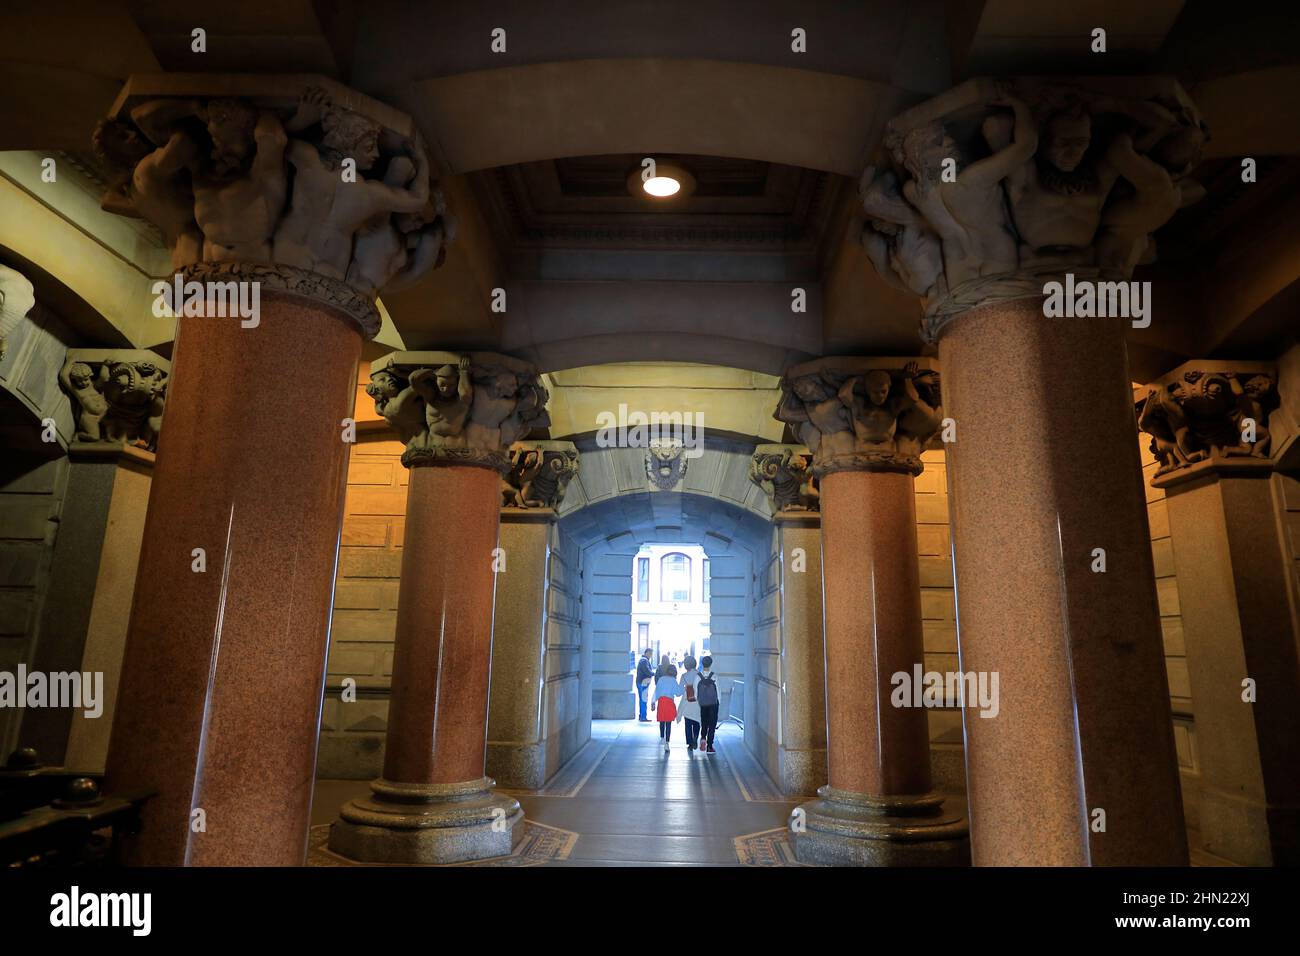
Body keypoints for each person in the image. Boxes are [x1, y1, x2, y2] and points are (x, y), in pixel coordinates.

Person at [651, 658, 681, 751]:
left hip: (661, 702)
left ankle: (662, 737)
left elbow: (656, 691)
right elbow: (678, 693)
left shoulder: (661, 679)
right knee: (668, 723)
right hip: (669, 703)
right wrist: (683, 687)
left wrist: (653, 702)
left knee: (662, 721)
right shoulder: (673, 681)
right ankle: (667, 743)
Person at [697, 656, 721, 754]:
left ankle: (703, 738)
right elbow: (718, 691)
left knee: (704, 722)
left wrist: (699, 701)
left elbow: (695, 692)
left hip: (703, 704)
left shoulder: (698, 676)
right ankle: (710, 746)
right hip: (713, 704)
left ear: (702, 664)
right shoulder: (714, 676)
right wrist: (719, 702)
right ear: (711, 664)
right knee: (712, 724)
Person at [678, 655, 702, 752]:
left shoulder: (684, 676)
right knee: (697, 721)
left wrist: (685, 689)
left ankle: (690, 743)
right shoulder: (700, 675)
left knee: (687, 723)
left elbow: (679, 691)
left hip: (687, 701)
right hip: (698, 702)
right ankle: (696, 736)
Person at [635, 648, 655, 721]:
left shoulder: (643, 660)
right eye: (650, 653)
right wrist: (654, 674)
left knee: (642, 700)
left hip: (642, 682)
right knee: (643, 700)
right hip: (643, 683)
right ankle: (643, 717)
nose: (651, 655)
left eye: (651, 654)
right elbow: (647, 671)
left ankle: (642, 716)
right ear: (646, 653)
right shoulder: (644, 661)